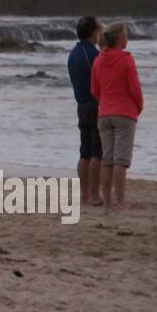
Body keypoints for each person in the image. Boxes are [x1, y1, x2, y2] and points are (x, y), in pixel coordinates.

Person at [91, 22, 143, 210]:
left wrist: (105, 103)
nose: (127, 38)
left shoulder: (98, 60)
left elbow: (94, 89)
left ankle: (107, 201)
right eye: (125, 35)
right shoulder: (126, 59)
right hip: (124, 112)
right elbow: (135, 89)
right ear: (119, 39)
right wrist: (137, 107)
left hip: (104, 113)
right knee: (121, 160)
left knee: (108, 159)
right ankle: (120, 202)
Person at [66, 17, 103, 207]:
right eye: (99, 28)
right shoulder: (93, 55)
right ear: (93, 32)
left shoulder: (73, 54)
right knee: (96, 153)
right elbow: (102, 81)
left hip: (81, 105)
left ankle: (84, 195)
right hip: (94, 105)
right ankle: (94, 196)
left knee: (84, 152)